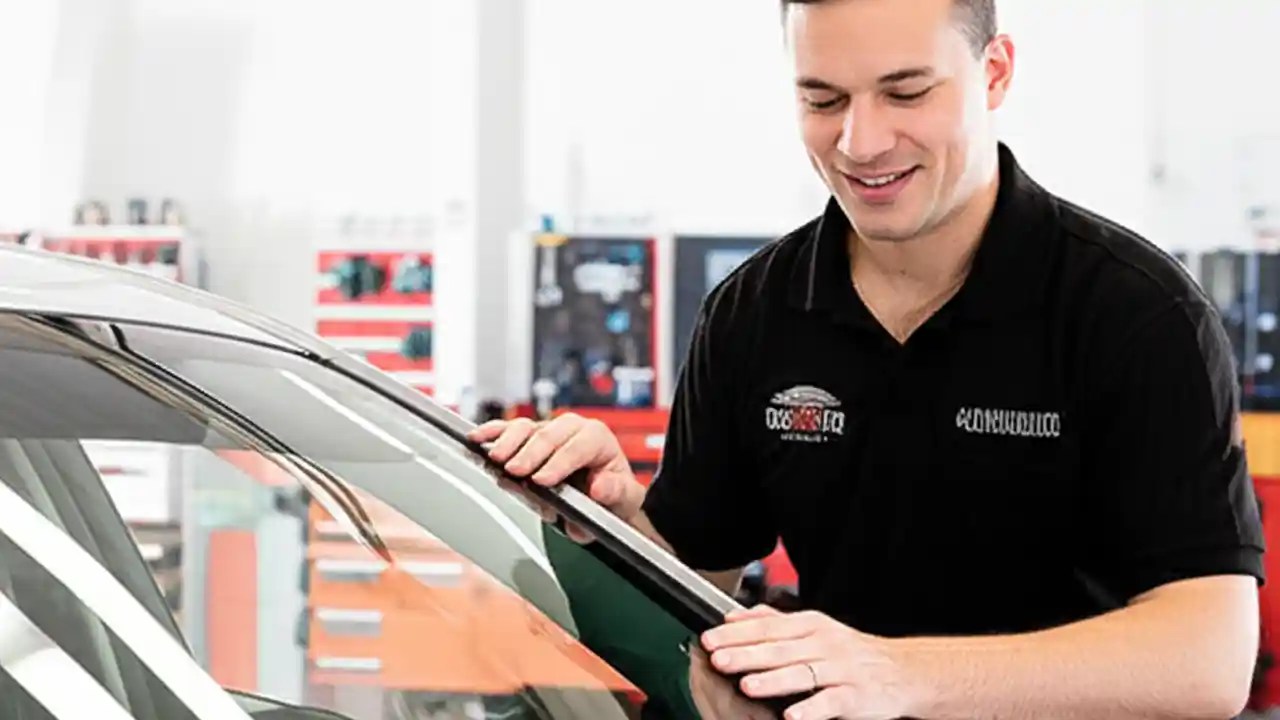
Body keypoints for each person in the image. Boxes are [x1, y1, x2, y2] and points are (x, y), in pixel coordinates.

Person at [469, 0, 1266, 717]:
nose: (860, 141)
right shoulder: (755, 313)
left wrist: (898, 673)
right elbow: (692, 584)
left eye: (906, 93)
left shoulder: (1135, 312)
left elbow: (1207, 660)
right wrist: (614, 521)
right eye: (822, 100)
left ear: (994, 73)